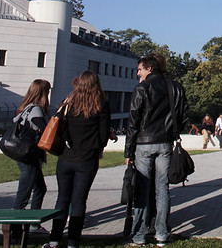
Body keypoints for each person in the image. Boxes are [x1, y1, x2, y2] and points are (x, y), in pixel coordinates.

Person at [125, 53, 189, 246]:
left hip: (144, 143)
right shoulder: (175, 87)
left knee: (142, 190)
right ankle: (162, 233)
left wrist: (128, 151)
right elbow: (184, 115)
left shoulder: (142, 88)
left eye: (141, 69)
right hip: (165, 143)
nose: (138, 73)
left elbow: (133, 122)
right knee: (162, 189)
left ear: (149, 68)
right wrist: (172, 131)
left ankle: (139, 234)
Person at [43, 72, 110, 248]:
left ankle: (54, 239)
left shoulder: (68, 103)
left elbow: (60, 128)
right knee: (79, 201)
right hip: (87, 159)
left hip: (66, 157)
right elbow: (103, 137)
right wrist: (95, 147)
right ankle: (73, 241)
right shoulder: (101, 104)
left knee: (62, 199)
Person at [11, 80, 50, 240]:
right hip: (29, 156)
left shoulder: (25, 108)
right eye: (47, 91)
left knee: (40, 188)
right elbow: (44, 129)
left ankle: (34, 223)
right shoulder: (36, 110)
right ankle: (15, 232)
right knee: (23, 194)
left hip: (22, 155)